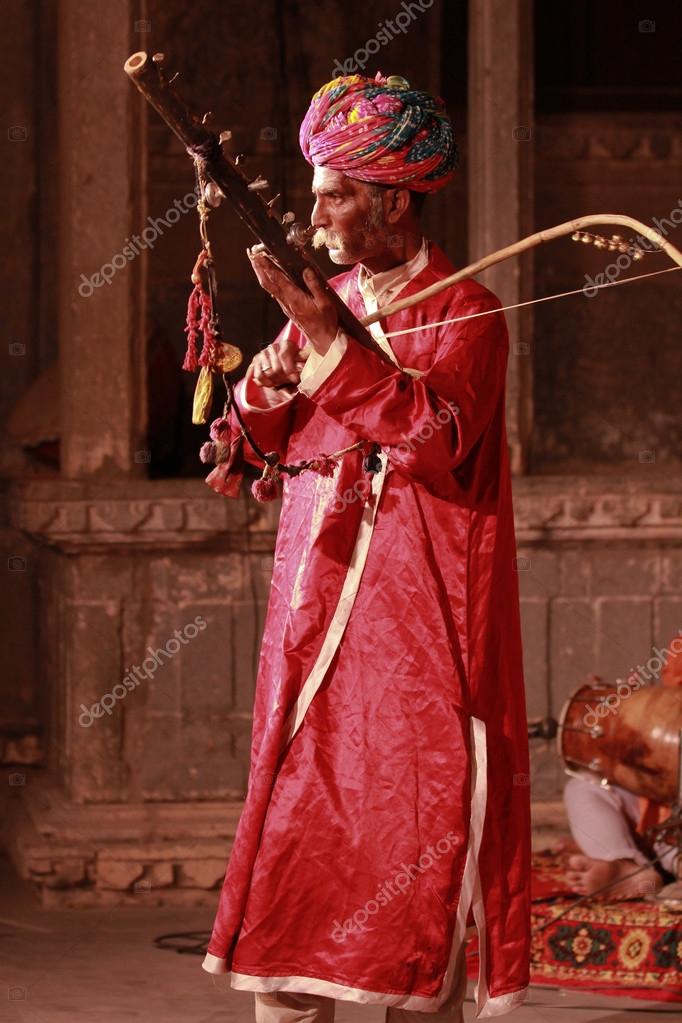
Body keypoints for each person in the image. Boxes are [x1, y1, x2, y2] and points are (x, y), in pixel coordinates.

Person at [201, 73, 531, 1021]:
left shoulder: (470, 312)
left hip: (415, 645)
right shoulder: (326, 300)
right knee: (292, 910)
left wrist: (326, 346)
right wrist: (265, 387)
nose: (317, 215)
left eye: (336, 194)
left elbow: (431, 441)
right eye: (313, 195)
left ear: (394, 198)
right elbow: (250, 457)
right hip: (313, 638)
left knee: (409, 900)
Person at [564, 640, 682, 899]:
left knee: (670, 845)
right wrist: (626, 709)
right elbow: (665, 712)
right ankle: (625, 866)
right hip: (661, 812)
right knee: (585, 787)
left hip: (673, 837)